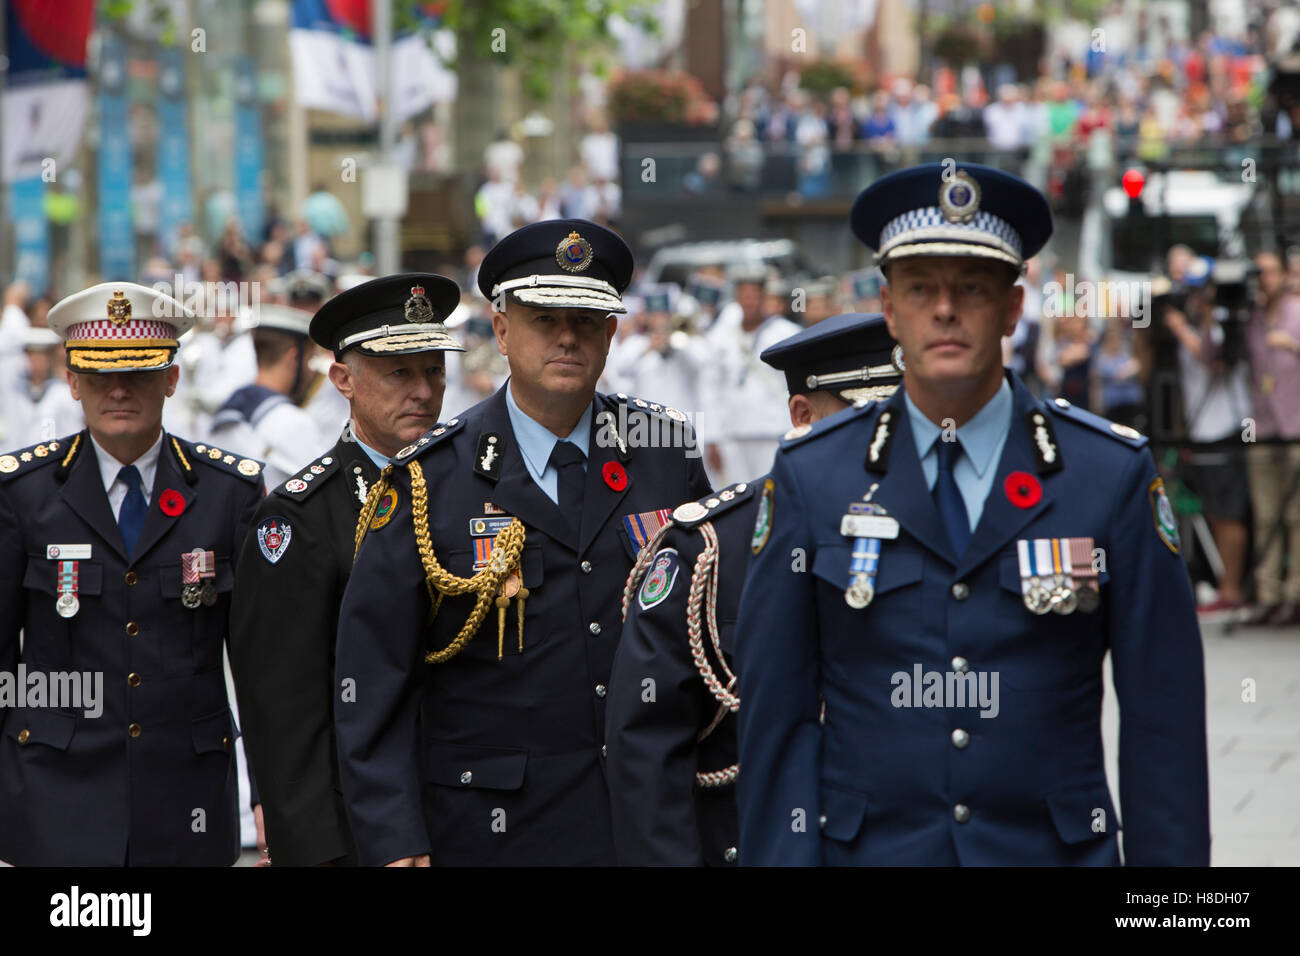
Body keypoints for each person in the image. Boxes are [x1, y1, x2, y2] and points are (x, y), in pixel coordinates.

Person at [734, 162, 1210, 866]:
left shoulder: (1107, 475)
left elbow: (1162, 723)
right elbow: (778, 721)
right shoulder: (815, 476)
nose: (946, 309)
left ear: (1014, 308)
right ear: (890, 310)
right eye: (922, 288)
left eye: (972, 288)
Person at [334, 220, 713, 866]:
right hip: (492, 831)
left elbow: (707, 637)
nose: (567, 337)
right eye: (545, 319)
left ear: (612, 333)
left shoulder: (664, 454)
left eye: (586, 321)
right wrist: (395, 839)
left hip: (648, 827)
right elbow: (371, 680)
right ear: (501, 329)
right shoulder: (429, 478)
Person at [606, 312, 901, 866]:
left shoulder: (945, 540)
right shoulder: (712, 548)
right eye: (866, 419)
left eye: (905, 418)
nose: (888, 441)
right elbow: (646, 752)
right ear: (802, 416)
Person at [0, 282, 266, 866]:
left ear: (171, 379)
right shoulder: (23, 495)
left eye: (140, 374)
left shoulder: (229, 494)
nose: (119, 390)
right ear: (72, 381)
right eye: (99, 376)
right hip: (55, 793)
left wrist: (273, 791)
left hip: (187, 797)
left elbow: (261, 664)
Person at [230, 274, 464, 867]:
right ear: (343, 381)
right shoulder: (299, 518)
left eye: (434, 370)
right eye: (399, 373)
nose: (423, 391)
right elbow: (282, 710)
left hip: (468, 811)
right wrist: (315, 849)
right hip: (356, 829)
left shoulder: (470, 494)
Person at [208, 304, 330, 488]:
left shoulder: (227, 409)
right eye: (309, 359)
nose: (311, 371)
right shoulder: (293, 424)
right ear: (294, 357)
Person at [700, 264, 801, 486]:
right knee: (735, 499)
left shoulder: (786, 333)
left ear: (764, 296)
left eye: (754, 295)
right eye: (743, 295)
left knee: (773, 495)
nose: (748, 301)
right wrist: (711, 437)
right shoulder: (721, 335)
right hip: (732, 435)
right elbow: (710, 387)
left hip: (773, 431)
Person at [1243, 251, 1300, 627]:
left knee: (1297, 516)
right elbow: (1217, 358)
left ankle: (1295, 595)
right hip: (1261, 426)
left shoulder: (1298, 311)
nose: (1263, 279)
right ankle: (1267, 595)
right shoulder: (1249, 318)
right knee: (1264, 514)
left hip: (1296, 425)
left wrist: (1294, 347)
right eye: (1258, 273)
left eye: (1269, 272)